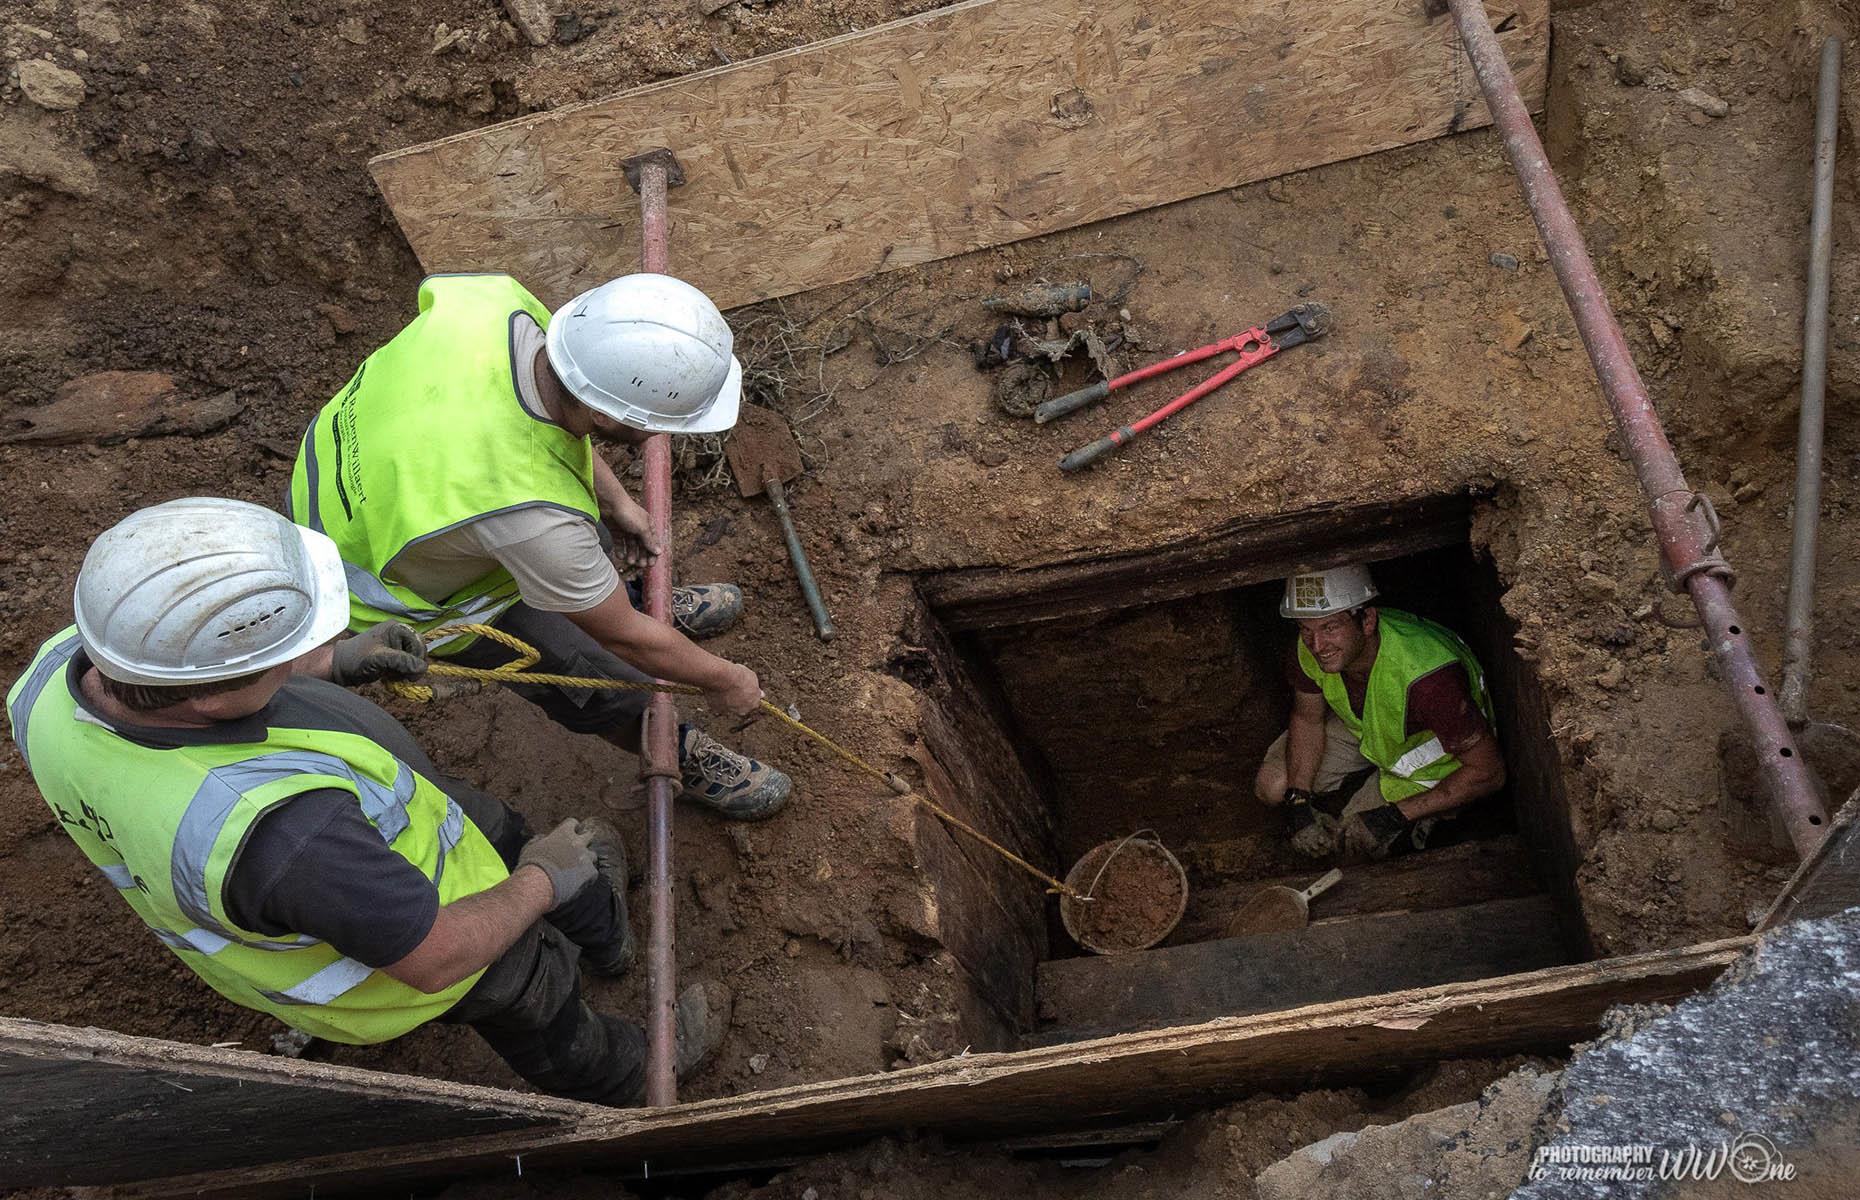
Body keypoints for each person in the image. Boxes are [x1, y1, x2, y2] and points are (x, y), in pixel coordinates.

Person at [5, 498, 724, 1103]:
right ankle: (630, 1071)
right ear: (213, 694)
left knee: (508, 837)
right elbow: (434, 957)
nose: (300, 658)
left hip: (399, 826)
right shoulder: (286, 836)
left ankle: (603, 933)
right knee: (533, 997)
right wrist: (540, 879)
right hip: (422, 943)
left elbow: (217, 681)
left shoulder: (59, 675)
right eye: (282, 658)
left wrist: (334, 663)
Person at [287, 271, 788, 820]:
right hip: (387, 581)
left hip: (342, 477)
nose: (664, 435)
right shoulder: (530, 514)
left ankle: (628, 603)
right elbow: (620, 636)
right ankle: (677, 750)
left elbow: (545, 418)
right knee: (591, 670)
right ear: (606, 415)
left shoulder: (496, 302)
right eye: (659, 424)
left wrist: (617, 502)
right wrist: (726, 679)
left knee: (580, 535)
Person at [1253, 565, 1506, 861]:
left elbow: (1489, 772)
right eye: (1305, 629)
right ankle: (1359, 784)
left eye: (1330, 627)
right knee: (1272, 786)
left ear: (1367, 620)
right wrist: (1299, 803)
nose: (1317, 646)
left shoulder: (1430, 682)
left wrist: (1393, 816)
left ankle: (1433, 817)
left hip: (1435, 754)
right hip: (1371, 726)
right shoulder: (1309, 649)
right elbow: (1307, 719)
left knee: (1353, 843)